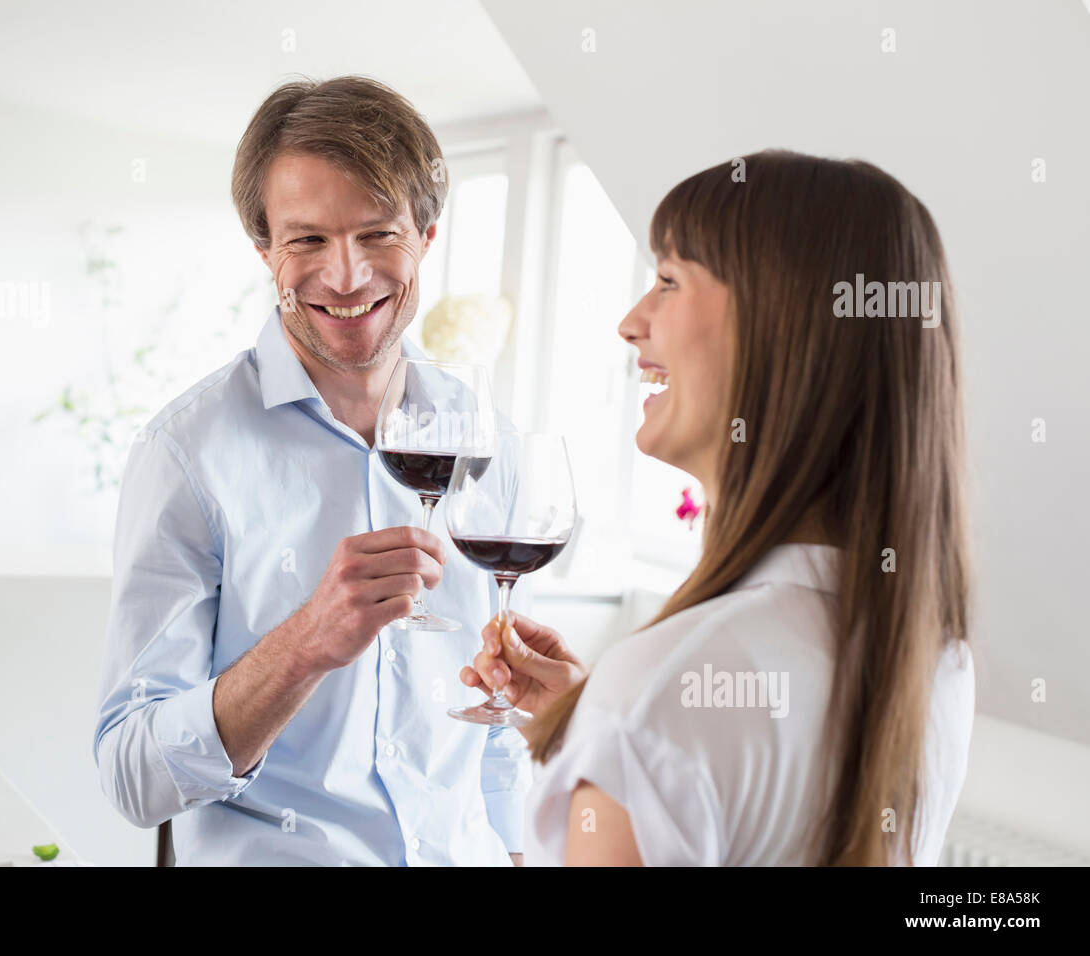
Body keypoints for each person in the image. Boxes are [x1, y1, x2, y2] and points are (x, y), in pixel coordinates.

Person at [462, 150, 975, 866]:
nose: (631, 323)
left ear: (782, 326)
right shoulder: (934, 654)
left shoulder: (662, 694)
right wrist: (604, 732)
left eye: (669, 281)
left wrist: (628, 730)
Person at [94, 76, 530, 866]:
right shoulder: (186, 454)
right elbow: (133, 776)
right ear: (264, 250)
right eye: (307, 241)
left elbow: (498, 733)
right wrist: (303, 646)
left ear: (426, 236)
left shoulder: (484, 437)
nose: (347, 276)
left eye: (377, 233)